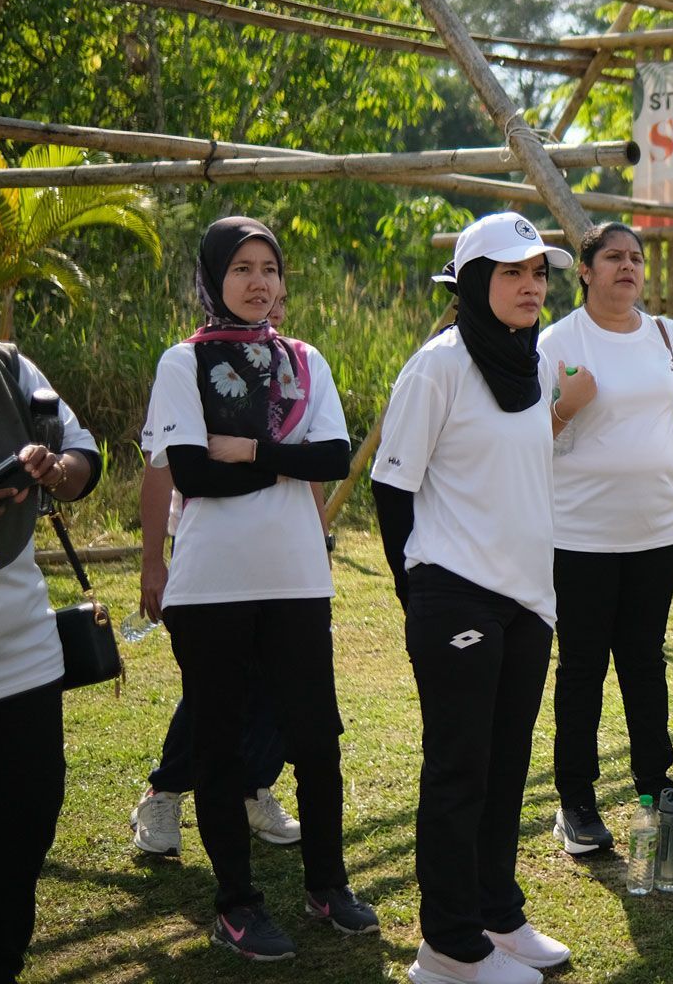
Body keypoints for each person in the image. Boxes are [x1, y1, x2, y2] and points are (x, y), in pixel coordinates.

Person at [142, 217, 373, 961]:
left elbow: (336, 456)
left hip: (297, 580)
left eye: (269, 268)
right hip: (211, 587)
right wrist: (286, 460)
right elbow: (192, 473)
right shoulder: (184, 362)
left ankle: (327, 885)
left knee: (315, 739)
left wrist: (249, 448)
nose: (258, 282)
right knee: (216, 747)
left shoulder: (305, 362)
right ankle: (237, 903)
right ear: (214, 278)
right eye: (242, 268)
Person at [372, 212, 577, 984]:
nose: (531, 286)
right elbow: (391, 488)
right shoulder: (439, 366)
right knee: (459, 770)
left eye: (538, 274)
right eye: (512, 273)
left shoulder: (535, 364)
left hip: (527, 600)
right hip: (455, 594)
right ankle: (449, 949)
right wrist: (419, 591)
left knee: (504, 767)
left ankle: (496, 915)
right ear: (469, 284)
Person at [541, 221, 673, 855]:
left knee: (643, 665)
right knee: (581, 669)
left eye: (635, 258)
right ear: (584, 271)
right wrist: (565, 409)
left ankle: (656, 792)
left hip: (655, 535)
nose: (627, 267)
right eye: (613, 258)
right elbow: (523, 439)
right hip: (577, 537)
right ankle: (575, 803)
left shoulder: (667, 337)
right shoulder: (555, 342)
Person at [0, 234, 101, 984]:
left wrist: (58, 469)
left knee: (20, 835)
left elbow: (84, 452)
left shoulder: (11, 367)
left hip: (18, 658)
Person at [131, 289, 312, 857]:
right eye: (254, 282)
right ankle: (163, 793)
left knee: (279, 681)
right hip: (211, 552)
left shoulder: (296, 371)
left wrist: (318, 541)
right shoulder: (193, 369)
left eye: (281, 293)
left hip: (284, 558)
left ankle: (253, 788)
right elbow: (162, 474)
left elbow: (315, 464)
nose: (274, 305)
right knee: (216, 687)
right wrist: (153, 560)